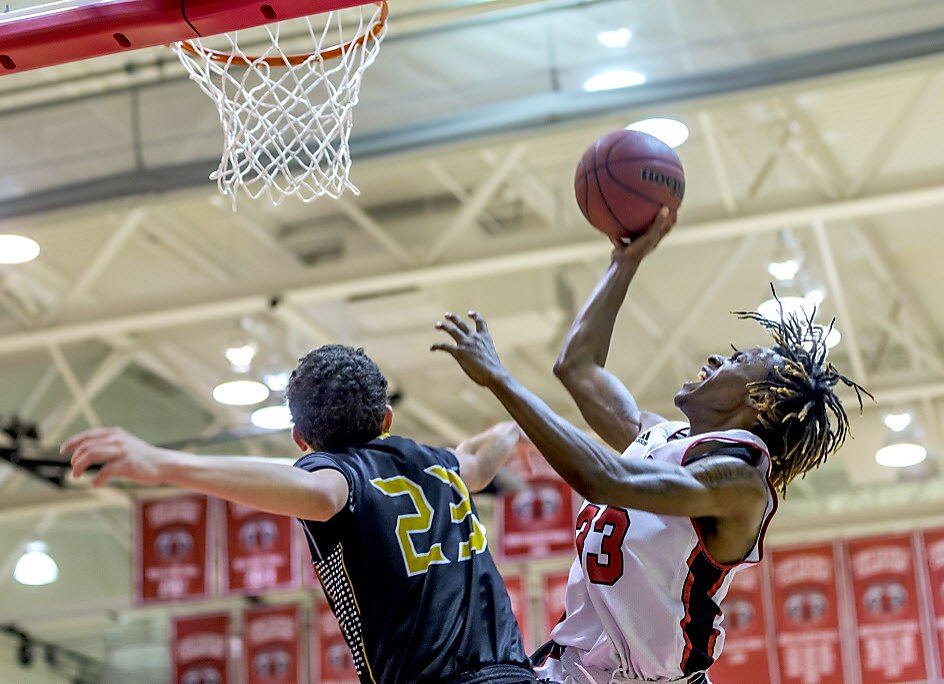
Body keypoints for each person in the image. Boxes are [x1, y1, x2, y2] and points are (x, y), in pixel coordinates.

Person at [432, 208, 868, 684]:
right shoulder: (660, 438)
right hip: (572, 671)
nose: (717, 357)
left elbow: (604, 479)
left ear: (760, 402)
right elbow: (578, 368)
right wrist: (624, 262)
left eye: (738, 360)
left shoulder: (741, 483)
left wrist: (499, 379)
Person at [64, 344, 538, 684]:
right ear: (387, 420)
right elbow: (479, 458)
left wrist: (166, 463)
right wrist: (512, 426)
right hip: (521, 676)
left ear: (299, 440)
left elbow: (317, 491)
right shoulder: (442, 465)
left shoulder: (335, 474)